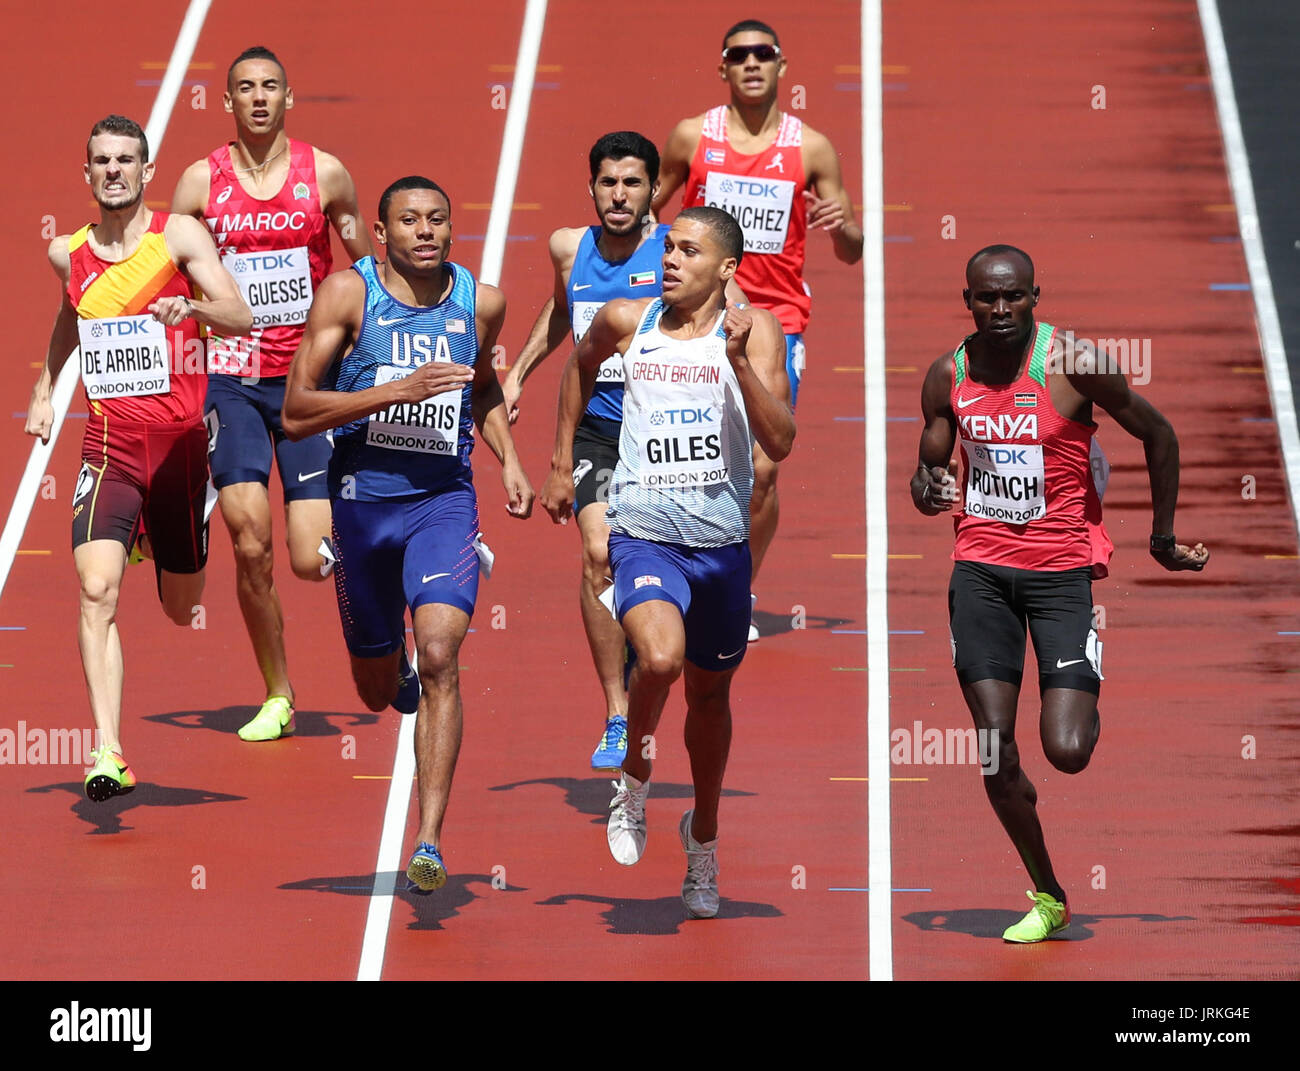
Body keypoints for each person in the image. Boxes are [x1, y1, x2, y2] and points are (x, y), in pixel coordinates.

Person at [910, 244, 1209, 942]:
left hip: (1060, 575)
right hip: (980, 572)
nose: (1002, 309)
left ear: (1036, 296)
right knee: (993, 746)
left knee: (1067, 748)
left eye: (1015, 297)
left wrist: (1162, 538)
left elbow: (1157, 432)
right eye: (987, 298)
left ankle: (1080, 676)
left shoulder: (1074, 364)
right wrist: (928, 491)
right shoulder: (946, 375)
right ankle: (1049, 892)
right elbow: (926, 473)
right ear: (969, 302)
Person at [540, 206, 795, 918]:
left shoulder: (757, 330)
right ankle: (635, 772)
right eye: (669, 248)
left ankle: (703, 837)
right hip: (644, 533)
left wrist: (740, 362)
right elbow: (579, 369)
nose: (671, 259)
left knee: (711, 700)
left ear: (727, 268)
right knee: (658, 658)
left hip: (719, 547)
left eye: (689, 250)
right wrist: (563, 461)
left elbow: (783, 438)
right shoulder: (629, 321)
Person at [282, 176, 533, 891]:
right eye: (409, 221)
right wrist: (394, 390)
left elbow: (479, 385)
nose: (425, 232)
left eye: (438, 220)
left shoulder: (478, 302)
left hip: (441, 502)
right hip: (362, 507)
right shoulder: (347, 295)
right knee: (372, 687)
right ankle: (388, 662)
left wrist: (507, 458)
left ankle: (428, 840)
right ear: (382, 233)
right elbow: (297, 412)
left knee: (442, 653)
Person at [24, 115, 252, 800]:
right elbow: (72, 315)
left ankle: (168, 534)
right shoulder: (69, 254)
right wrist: (44, 387)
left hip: (182, 452)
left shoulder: (177, 237)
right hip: (111, 446)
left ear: (148, 172)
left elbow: (242, 314)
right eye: (103, 160)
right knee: (95, 589)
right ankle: (109, 748)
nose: (115, 170)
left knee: (183, 607)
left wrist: (198, 311)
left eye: (127, 159)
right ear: (87, 173)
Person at [171, 45, 373, 742]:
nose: (258, 99)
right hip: (232, 382)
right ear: (227, 103)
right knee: (248, 540)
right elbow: (175, 280)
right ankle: (278, 692)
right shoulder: (199, 184)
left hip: (306, 385)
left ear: (289, 98)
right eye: (245, 89)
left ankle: (374, 611)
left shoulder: (327, 175)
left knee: (310, 561)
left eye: (270, 88)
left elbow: (365, 267)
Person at [654, 17, 862, 641]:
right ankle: (675, 571)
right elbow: (645, 211)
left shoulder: (812, 148)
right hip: (699, 316)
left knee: (765, 468)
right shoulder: (692, 138)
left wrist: (841, 226)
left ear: (781, 67)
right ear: (722, 68)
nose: (752, 64)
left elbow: (851, 248)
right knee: (692, 451)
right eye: (739, 55)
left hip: (779, 322)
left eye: (763, 54)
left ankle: (737, 587)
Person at [502, 131, 670, 771]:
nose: (619, 195)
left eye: (632, 183)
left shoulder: (677, 250)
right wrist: (518, 373)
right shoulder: (570, 247)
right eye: (608, 182)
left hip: (666, 435)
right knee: (598, 553)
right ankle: (617, 713)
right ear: (592, 186)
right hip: (600, 431)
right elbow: (563, 312)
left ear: (654, 188)